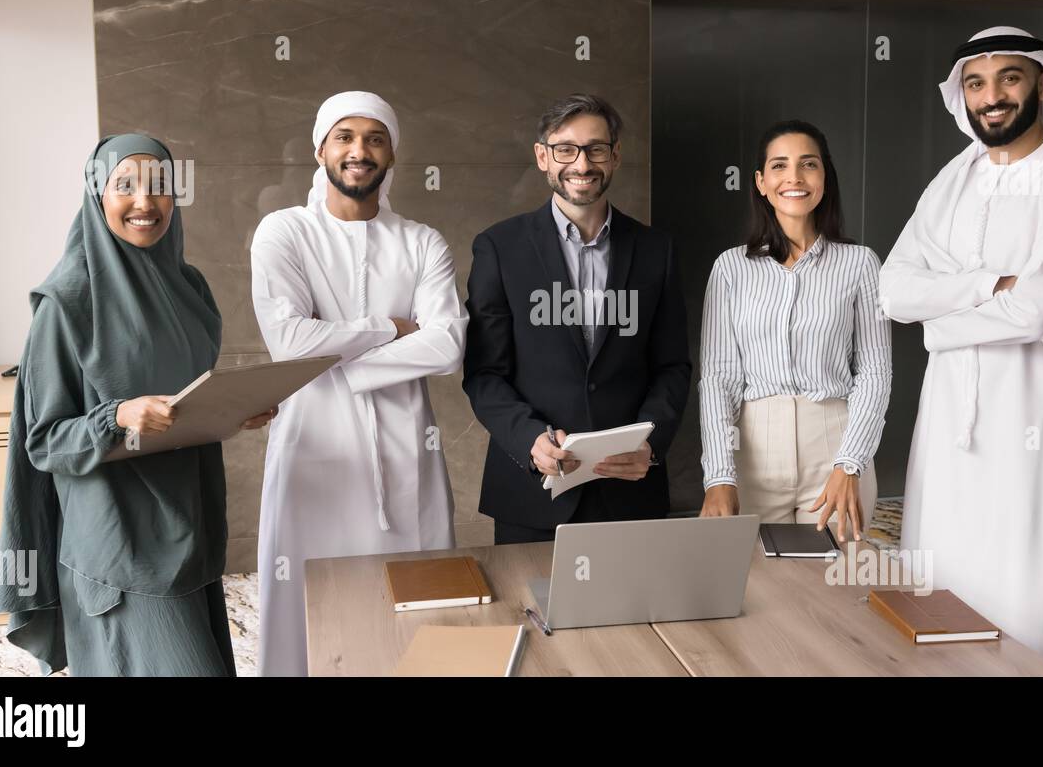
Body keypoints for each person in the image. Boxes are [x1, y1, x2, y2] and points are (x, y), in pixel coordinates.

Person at [879, 26, 1043, 676]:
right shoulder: (949, 183)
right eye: (976, 83)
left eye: (1009, 78)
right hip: (952, 426)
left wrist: (940, 322)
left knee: (1038, 595)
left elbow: (1041, 310)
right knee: (947, 584)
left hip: (1040, 428)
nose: (992, 96)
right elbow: (894, 290)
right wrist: (990, 285)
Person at [0, 133, 273, 676]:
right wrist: (116, 416)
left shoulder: (188, 289)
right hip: (116, 544)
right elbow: (44, 440)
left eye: (161, 186)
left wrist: (232, 409)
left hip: (187, 525)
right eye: (125, 185)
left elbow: (181, 406)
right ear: (97, 195)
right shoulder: (68, 301)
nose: (145, 202)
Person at [250, 91, 467, 676]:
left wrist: (340, 365)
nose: (359, 151)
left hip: (406, 455)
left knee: (414, 617)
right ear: (319, 149)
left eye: (375, 139)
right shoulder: (283, 232)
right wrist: (390, 330)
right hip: (313, 453)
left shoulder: (422, 242)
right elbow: (289, 342)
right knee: (305, 612)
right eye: (344, 137)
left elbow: (447, 345)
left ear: (392, 155)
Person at [463, 93, 691, 544]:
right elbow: (485, 373)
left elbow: (673, 366)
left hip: (631, 492)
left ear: (616, 155)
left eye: (596, 149)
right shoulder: (499, 248)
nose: (581, 164)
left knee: (636, 617)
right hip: (532, 493)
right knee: (532, 613)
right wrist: (530, 439)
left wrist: (649, 443)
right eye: (566, 149)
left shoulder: (655, 250)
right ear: (543, 156)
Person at [699, 120, 891, 543]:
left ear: (824, 178)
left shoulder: (860, 264)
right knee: (752, 591)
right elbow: (718, 380)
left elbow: (875, 374)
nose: (794, 178)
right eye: (780, 166)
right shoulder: (731, 268)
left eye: (809, 165)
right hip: (753, 454)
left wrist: (850, 464)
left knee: (832, 594)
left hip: (834, 447)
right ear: (761, 182)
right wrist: (718, 476)